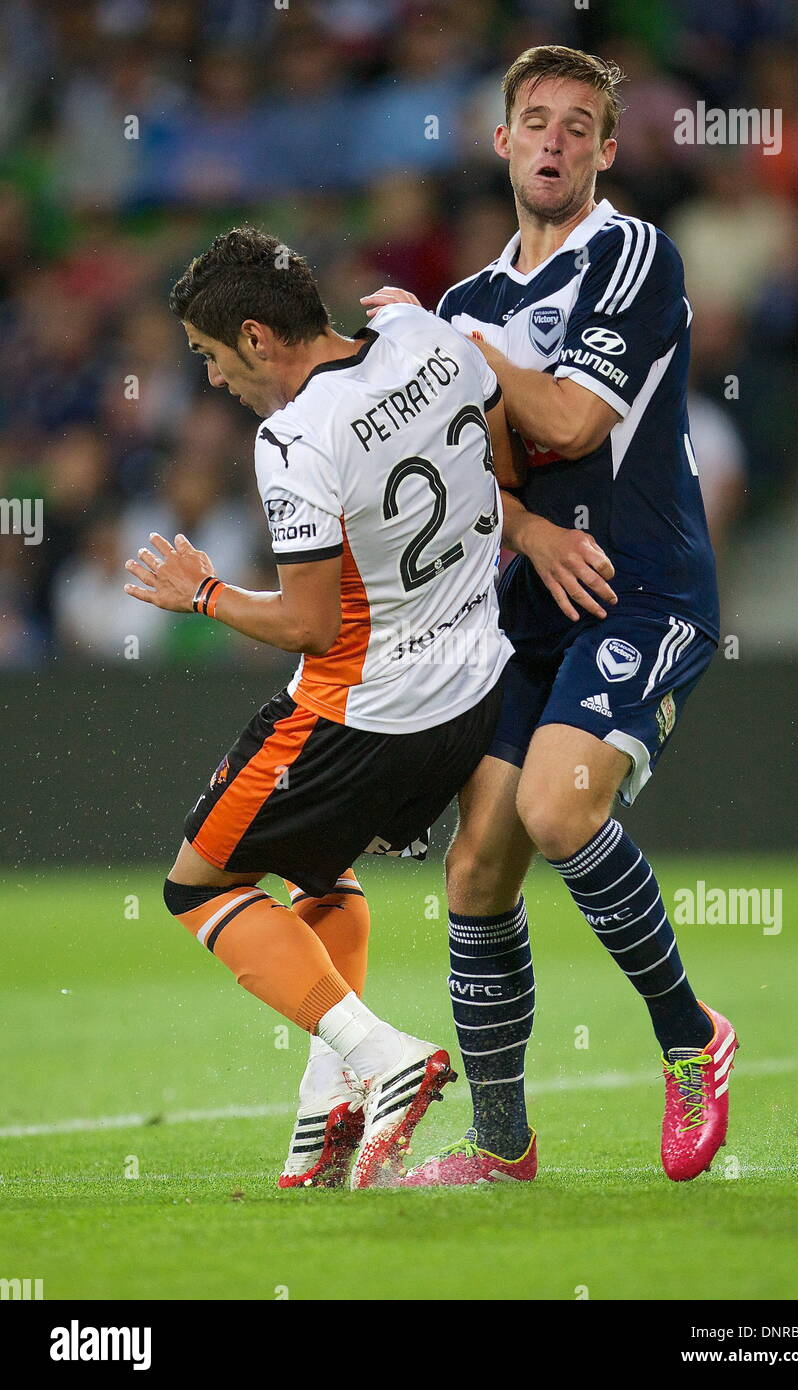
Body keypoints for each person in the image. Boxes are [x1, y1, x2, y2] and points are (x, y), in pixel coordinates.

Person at [362, 46, 737, 1187]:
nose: (554, 141)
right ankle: (499, 1145)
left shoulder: (629, 255)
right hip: (527, 607)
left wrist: (448, 351)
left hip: (640, 589)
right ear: (499, 141)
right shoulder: (470, 300)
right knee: (475, 870)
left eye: (579, 125)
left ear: (606, 151)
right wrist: (522, 530)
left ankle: (690, 1038)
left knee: (556, 805)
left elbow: (571, 420)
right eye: (535, 121)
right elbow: (474, 477)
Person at [123, 226, 517, 1189]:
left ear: (259, 338)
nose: (214, 380)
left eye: (212, 358)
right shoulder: (424, 335)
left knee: (199, 883)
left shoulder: (296, 437)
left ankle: (383, 1058)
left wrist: (205, 596)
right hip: (472, 694)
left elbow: (307, 622)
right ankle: (323, 1104)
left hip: (360, 713)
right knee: (321, 872)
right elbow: (502, 452)